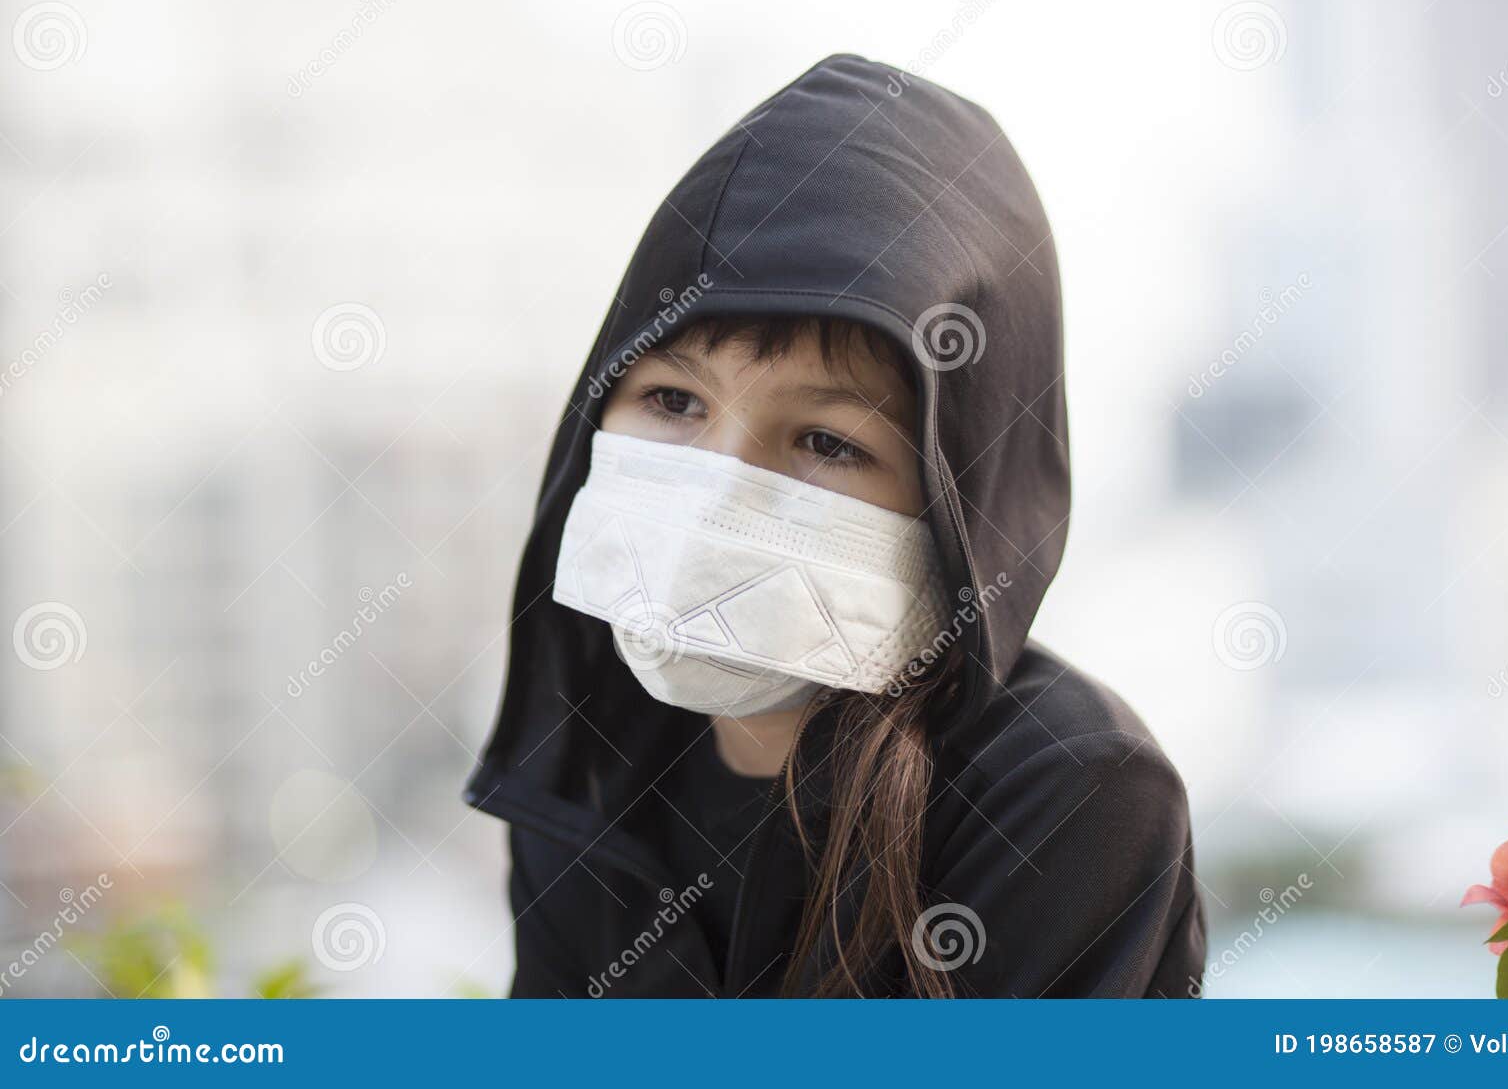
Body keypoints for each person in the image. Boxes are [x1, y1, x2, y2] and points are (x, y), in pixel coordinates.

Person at [465, 54, 1205, 997]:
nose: (713, 492)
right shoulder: (594, 756)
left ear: (958, 500)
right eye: (673, 399)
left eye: (824, 438)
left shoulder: (1068, 794)